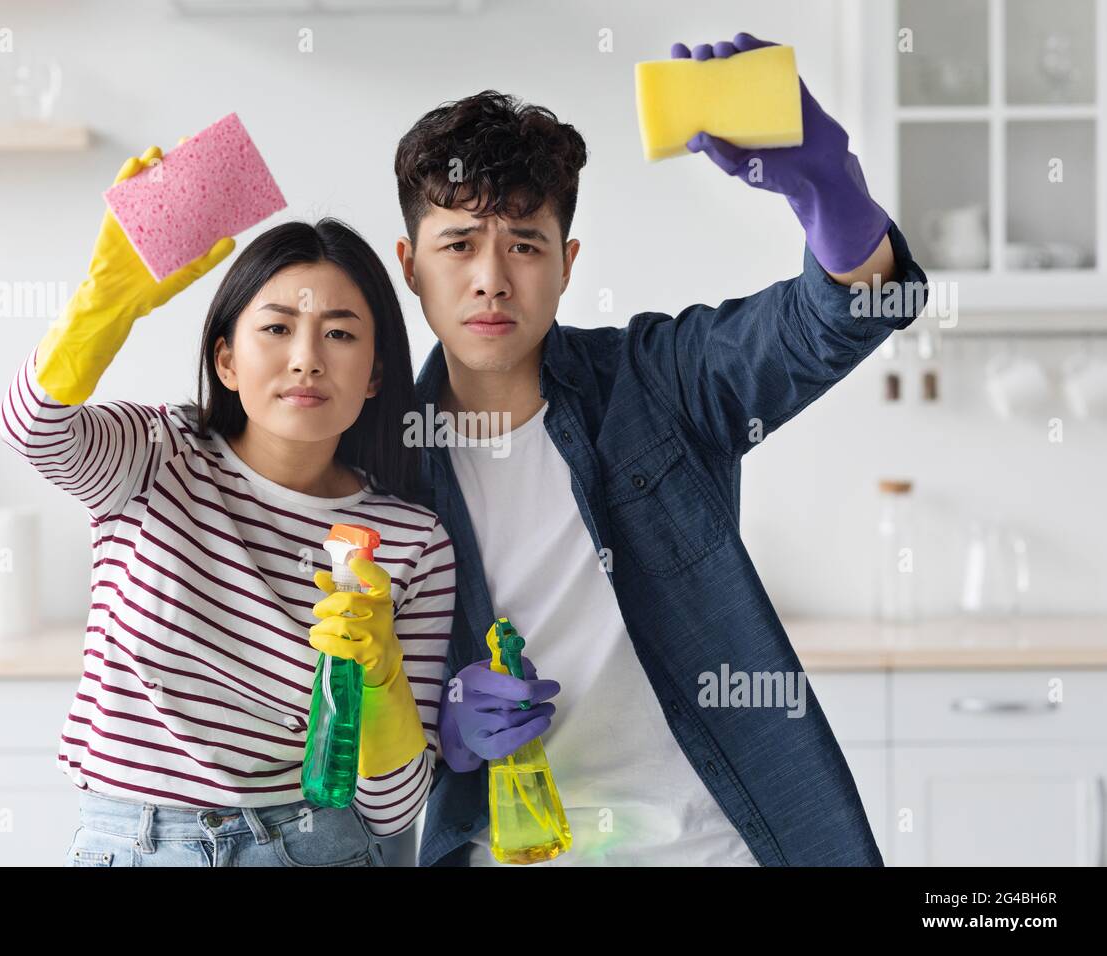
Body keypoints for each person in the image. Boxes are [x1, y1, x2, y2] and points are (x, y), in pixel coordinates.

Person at [396, 34, 929, 865]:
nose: (491, 278)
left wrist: (831, 191)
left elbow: (829, 321)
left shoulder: (658, 385)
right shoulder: (375, 465)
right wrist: (440, 739)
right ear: (411, 267)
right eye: (459, 243)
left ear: (568, 265)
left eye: (525, 244)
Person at [0, 146, 453, 866]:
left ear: (374, 375)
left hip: (317, 847)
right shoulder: (155, 453)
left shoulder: (410, 539)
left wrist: (381, 675)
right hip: (131, 845)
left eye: (339, 333)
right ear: (227, 361)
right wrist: (105, 301)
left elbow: (396, 806)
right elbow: (34, 429)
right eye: (276, 328)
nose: (307, 357)